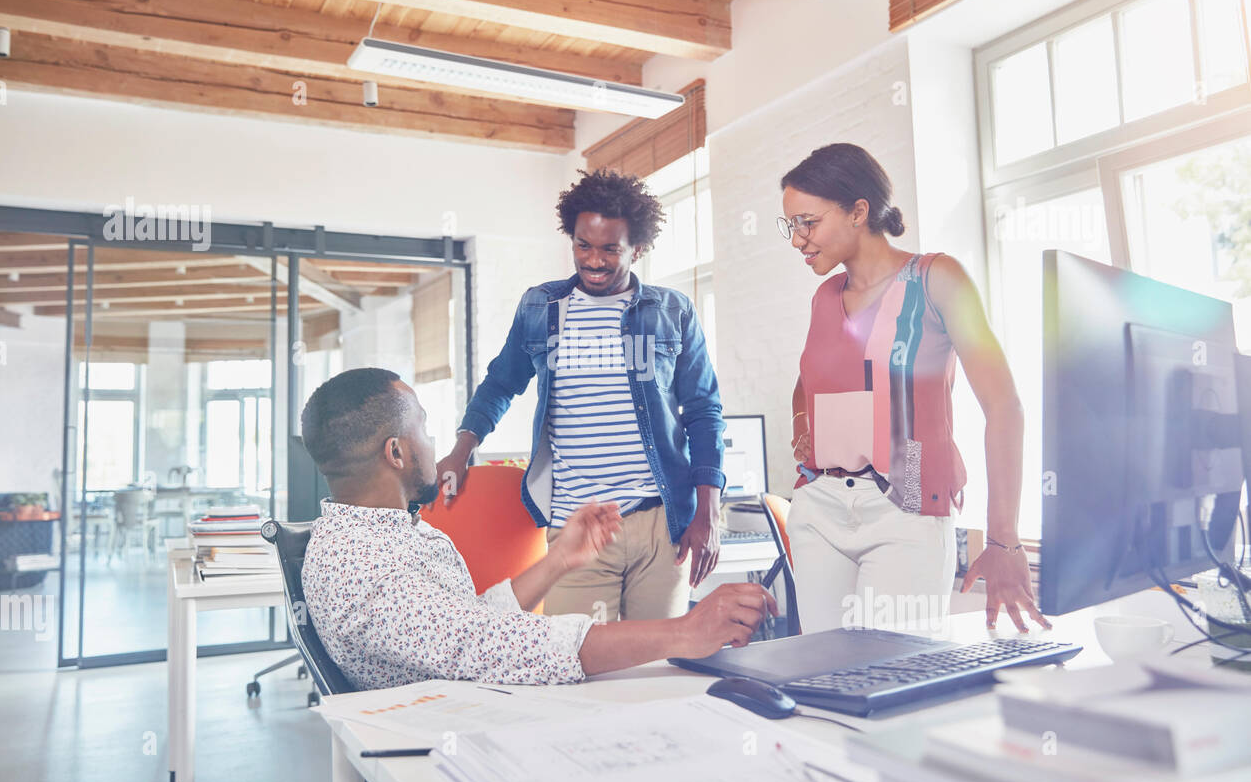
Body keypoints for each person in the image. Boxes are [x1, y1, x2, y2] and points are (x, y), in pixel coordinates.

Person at [299, 367, 774, 690]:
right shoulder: (358, 564)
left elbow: (462, 624)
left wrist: (558, 561)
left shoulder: (382, 534)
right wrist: (685, 632)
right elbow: (488, 644)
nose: (433, 440)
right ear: (396, 453)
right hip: (449, 737)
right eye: (423, 427)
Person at [778, 143, 1049, 635]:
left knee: (893, 671)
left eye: (808, 222)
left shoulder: (937, 278)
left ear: (859, 210)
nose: (797, 239)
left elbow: (1004, 406)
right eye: (791, 226)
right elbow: (807, 384)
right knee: (822, 672)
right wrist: (806, 443)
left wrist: (1005, 539)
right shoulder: (824, 297)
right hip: (820, 510)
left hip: (907, 506)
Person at [435, 169, 726, 624]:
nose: (593, 260)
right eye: (582, 246)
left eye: (610, 249)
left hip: (661, 522)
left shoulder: (673, 313)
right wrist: (461, 447)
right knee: (578, 665)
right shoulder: (541, 308)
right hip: (579, 526)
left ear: (638, 248)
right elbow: (500, 384)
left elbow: (705, 412)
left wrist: (708, 510)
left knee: (655, 668)